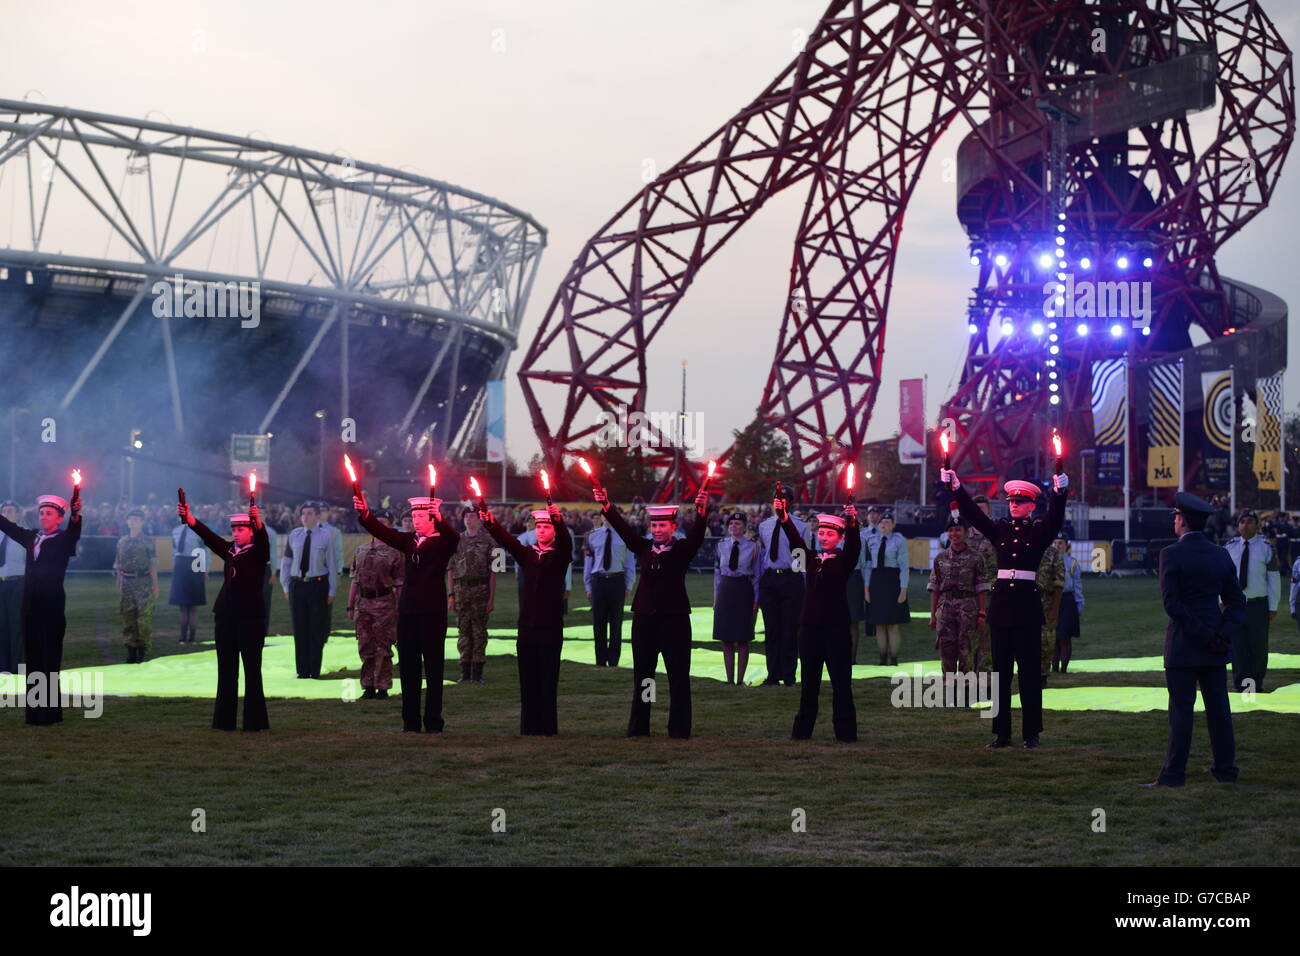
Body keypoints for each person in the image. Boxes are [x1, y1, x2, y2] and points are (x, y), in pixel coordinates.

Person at [943, 468, 1068, 749]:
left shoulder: (1038, 533)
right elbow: (974, 515)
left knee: (1029, 674)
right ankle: (1001, 733)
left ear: (1032, 506)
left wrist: (1060, 494)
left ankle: (1031, 732)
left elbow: (1056, 518)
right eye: (1011, 500)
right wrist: (956, 487)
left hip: (1025, 607)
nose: (1014, 504)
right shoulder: (999, 529)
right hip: (1001, 608)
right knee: (1000, 674)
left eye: (1020, 501)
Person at [1143, 492, 1245, 787]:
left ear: (1182, 520)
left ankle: (1174, 774)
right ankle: (1226, 770)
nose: (1174, 520)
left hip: (1184, 644)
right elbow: (1237, 602)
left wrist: (1203, 633)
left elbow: (1172, 605)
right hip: (1214, 644)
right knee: (1219, 710)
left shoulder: (1170, 554)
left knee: (1181, 712)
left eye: (1176, 516)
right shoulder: (1221, 554)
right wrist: (1221, 634)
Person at [595, 488, 709, 738]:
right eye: (654, 526)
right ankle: (640, 726)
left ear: (673, 526)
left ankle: (678, 728)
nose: (657, 530)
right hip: (645, 619)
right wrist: (606, 504)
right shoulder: (643, 547)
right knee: (645, 675)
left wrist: (701, 512)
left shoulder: (681, 550)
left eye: (662, 526)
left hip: (674, 619)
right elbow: (624, 530)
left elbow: (698, 537)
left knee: (678, 676)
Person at [353, 493, 460, 733]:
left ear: (433, 518)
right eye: (414, 515)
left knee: (434, 669)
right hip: (408, 612)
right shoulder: (410, 541)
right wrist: (365, 513)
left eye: (421, 515)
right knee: (409, 668)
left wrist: (441, 519)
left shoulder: (443, 542)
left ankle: (433, 721)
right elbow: (384, 533)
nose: (416, 520)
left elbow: (454, 537)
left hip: (432, 613)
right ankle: (410, 722)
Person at [482, 504, 572, 735]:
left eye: (547, 526)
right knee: (528, 680)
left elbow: (566, 542)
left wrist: (558, 520)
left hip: (550, 627)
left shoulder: (559, 556)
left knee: (548, 679)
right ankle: (529, 726)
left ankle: (548, 727)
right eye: (539, 526)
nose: (541, 530)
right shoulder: (528, 554)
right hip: (527, 628)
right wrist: (490, 522)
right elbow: (508, 542)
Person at [180, 504, 271, 730]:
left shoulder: (258, 552)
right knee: (226, 670)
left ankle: (254, 722)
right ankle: (224, 721)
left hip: (250, 618)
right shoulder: (230, 550)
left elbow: (264, 542)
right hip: (226, 616)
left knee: (252, 670)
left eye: (241, 530)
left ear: (251, 531)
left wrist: (258, 523)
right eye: (234, 530)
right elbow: (210, 538)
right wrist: (191, 520)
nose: (236, 533)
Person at [0, 492, 82, 725]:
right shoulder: (32, 538)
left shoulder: (63, 539)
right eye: (41, 513)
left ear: (59, 519)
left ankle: (51, 713)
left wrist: (76, 513)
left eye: (49, 514)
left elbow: (75, 530)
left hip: (51, 608)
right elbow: (8, 526)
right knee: (34, 660)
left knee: (49, 660)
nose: (44, 517)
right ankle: (35, 713)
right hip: (30, 608)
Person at [782, 501, 860, 741]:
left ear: (839, 537)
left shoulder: (844, 560)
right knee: (809, 683)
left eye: (829, 534)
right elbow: (796, 542)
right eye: (821, 533)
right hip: (809, 628)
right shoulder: (811, 559)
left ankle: (845, 733)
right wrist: (784, 518)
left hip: (836, 629)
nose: (824, 537)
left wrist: (852, 523)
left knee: (841, 683)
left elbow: (855, 547)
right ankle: (802, 731)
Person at [927, 516, 987, 695]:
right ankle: (949, 688)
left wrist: (982, 613)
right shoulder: (940, 558)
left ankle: (966, 690)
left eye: (958, 530)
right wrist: (933, 615)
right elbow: (935, 589)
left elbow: (982, 587)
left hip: (968, 607)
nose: (954, 534)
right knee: (946, 648)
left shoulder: (976, 558)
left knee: (966, 648)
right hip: (945, 607)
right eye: (951, 530)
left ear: (966, 532)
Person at [347, 509, 403, 700]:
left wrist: (401, 608)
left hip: (384, 603)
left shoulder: (396, 552)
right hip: (363, 603)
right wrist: (350, 605)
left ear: (390, 525)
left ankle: (383, 687)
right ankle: (368, 685)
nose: (380, 525)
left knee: (384, 646)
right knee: (365, 645)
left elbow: (399, 583)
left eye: (384, 522)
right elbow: (354, 579)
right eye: (377, 522)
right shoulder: (362, 550)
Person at [1222, 510, 1280, 692]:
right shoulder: (1229, 547)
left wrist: (1273, 606)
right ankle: (1241, 686)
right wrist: (1222, 600)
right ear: (1238, 526)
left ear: (1257, 525)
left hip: (1258, 605)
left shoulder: (1266, 547)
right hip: (1235, 606)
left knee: (1258, 648)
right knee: (1238, 648)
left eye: (1250, 521)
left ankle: (1256, 685)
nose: (1245, 525)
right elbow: (1222, 577)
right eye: (1242, 522)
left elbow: (1273, 579)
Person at [281, 502, 339, 679]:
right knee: (299, 629)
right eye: (303, 513)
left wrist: (331, 590)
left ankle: (314, 670)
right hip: (297, 585)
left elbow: (332, 564)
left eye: (310, 513)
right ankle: (302, 670)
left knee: (316, 628)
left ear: (317, 516)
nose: (306, 517)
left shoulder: (326, 536)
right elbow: (286, 562)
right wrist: (286, 585)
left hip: (317, 586)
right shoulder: (294, 535)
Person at [756, 489, 807, 686]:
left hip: (791, 577)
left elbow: (803, 557)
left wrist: (803, 584)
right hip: (770, 579)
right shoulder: (764, 526)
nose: (780, 502)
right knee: (771, 629)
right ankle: (772, 674)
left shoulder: (800, 526)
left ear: (791, 502)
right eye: (777, 499)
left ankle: (788, 674)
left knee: (790, 629)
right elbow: (762, 555)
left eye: (784, 499)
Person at [448, 510, 496, 683]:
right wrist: (451, 595)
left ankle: (477, 672)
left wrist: (491, 598)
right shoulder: (456, 541)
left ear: (479, 520)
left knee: (479, 631)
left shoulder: (490, 541)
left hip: (480, 590)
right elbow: (450, 569)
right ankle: (464, 670)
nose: (468, 519)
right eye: (466, 516)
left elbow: (495, 571)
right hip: (461, 590)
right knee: (463, 630)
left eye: (472, 516)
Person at [583, 511, 636, 667]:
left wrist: (628, 585)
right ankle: (600, 660)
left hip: (616, 580)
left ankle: (613, 660)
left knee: (616, 622)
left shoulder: (624, 536)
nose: (606, 518)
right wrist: (588, 586)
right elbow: (588, 564)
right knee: (598, 623)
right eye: (604, 515)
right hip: (598, 581)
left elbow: (629, 563)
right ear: (602, 517)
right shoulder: (592, 536)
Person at [712, 512, 759, 685]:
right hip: (726, 589)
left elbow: (757, 576)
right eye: (731, 523)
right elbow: (717, 573)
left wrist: (756, 599)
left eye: (738, 523)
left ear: (745, 527)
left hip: (744, 589)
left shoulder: (754, 546)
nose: (734, 526)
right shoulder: (721, 545)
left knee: (743, 637)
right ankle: (729, 679)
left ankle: (740, 680)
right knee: (727, 637)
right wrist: (716, 597)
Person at [864, 512, 909, 666]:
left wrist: (903, 589)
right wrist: (866, 588)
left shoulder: (899, 540)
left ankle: (894, 658)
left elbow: (904, 566)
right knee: (879, 624)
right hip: (876, 582)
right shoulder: (870, 540)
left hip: (892, 582)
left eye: (888, 521)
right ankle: (882, 659)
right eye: (882, 521)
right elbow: (868, 566)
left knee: (893, 624)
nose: (884, 524)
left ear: (893, 525)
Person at [114, 508, 158, 663]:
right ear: (127, 522)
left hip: (143, 583)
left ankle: (142, 649)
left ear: (142, 522)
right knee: (128, 618)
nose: (132, 521)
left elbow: (153, 565)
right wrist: (119, 584)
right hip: (126, 583)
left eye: (136, 519)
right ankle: (131, 649)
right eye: (130, 519)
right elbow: (119, 566)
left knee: (143, 619)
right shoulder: (121, 541)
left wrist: (155, 586)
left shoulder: (148, 541)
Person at [963, 494, 997, 673]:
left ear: (989, 511)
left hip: (990, 596)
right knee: (967, 641)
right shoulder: (963, 536)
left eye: (982, 509)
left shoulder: (996, 535)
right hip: (967, 598)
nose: (979, 513)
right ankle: (967, 682)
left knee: (987, 642)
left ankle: (985, 683)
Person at [168, 516, 207, 646]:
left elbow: (204, 551)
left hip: (190, 563)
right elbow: (174, 551)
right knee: (186, 605)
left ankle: (188, 637)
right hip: (186, 564)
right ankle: (187, 637)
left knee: (189, 606)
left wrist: (204, 568)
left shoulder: (193, 530)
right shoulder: (177, 531)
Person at [0, 501, 26, 673]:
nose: (6, 514)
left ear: (18, 515)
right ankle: (3, 667)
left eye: (10, 511)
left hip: (18, 584)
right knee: (1, 627)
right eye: (3, 511)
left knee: (16, 627)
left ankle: (17, 668)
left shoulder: (23, 536)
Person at [1052, 535, 1084, 673]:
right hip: (1051, 599)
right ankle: (1053, 668)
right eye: (1054, 543)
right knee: (1052, 637)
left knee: (1065, 636)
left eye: (1060, 543)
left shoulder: (1072, 563)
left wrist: (1079, 604)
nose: (1057, 546)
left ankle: (1064, 668)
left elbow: (1077, 585)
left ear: (1066, 546)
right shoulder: (1046, 561)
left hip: (1066, 601)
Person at [1035, 534, 1065, 685]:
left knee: (1045, 641)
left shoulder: (1053, 554)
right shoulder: (1027, 549)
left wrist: (1055, 608)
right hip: (1027, 600)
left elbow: (1059, 584)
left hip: (1046, 600)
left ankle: (1042, 674)